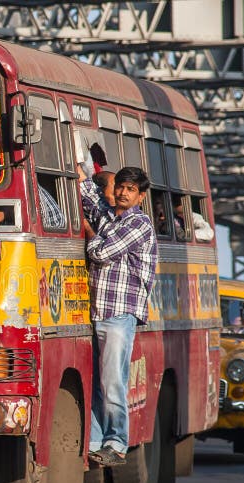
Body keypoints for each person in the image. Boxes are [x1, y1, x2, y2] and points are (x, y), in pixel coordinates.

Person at [80, 166, 158, 467]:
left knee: (112, 381)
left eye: (130, 189)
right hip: (99, 311)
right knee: (98, 382)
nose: (123, 193)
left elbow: (101, 252)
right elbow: (88, 192)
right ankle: (97, 442)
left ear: (140, 196)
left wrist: (90, 233)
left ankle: (117, 443)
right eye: (121, 187)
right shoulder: (110, 217)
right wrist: (80, 165)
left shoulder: (139, 224)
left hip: (119, 313)